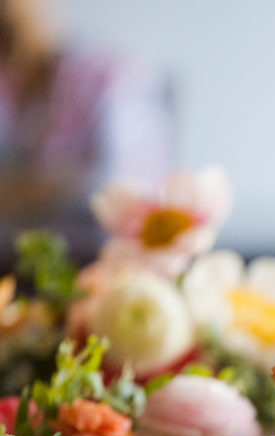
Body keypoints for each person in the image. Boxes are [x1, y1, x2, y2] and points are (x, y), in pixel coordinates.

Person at [0, 0, 174, 264]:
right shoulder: (9, 85)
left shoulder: (111, 76)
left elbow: (118, 187)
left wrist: (24, 190)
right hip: (14, 261)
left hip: (98, 262)